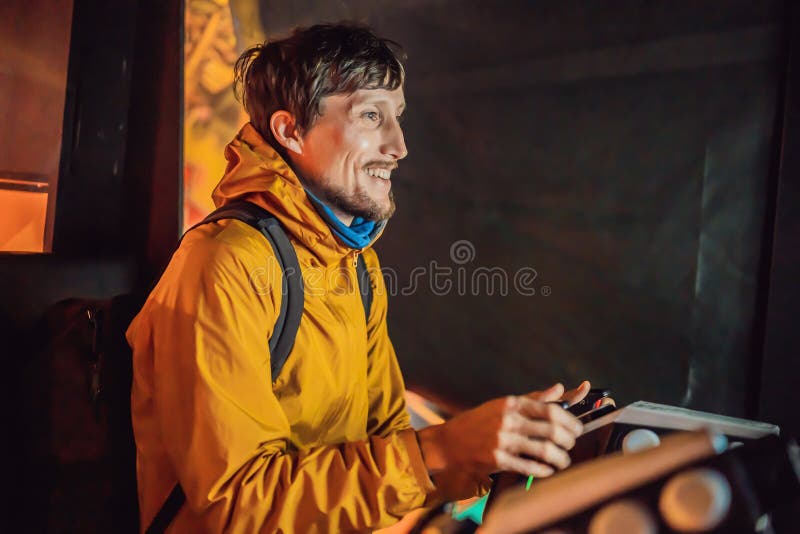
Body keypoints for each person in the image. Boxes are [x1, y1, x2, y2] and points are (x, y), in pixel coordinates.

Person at [127, 23, 591, 533]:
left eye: (397, 117)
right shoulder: (224, 265)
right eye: (371, 115)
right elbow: (239, 506)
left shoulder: (353, 264)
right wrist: (444, 447)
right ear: (290, 131)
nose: (399, 146)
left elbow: (386, 450)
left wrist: (496, 451)